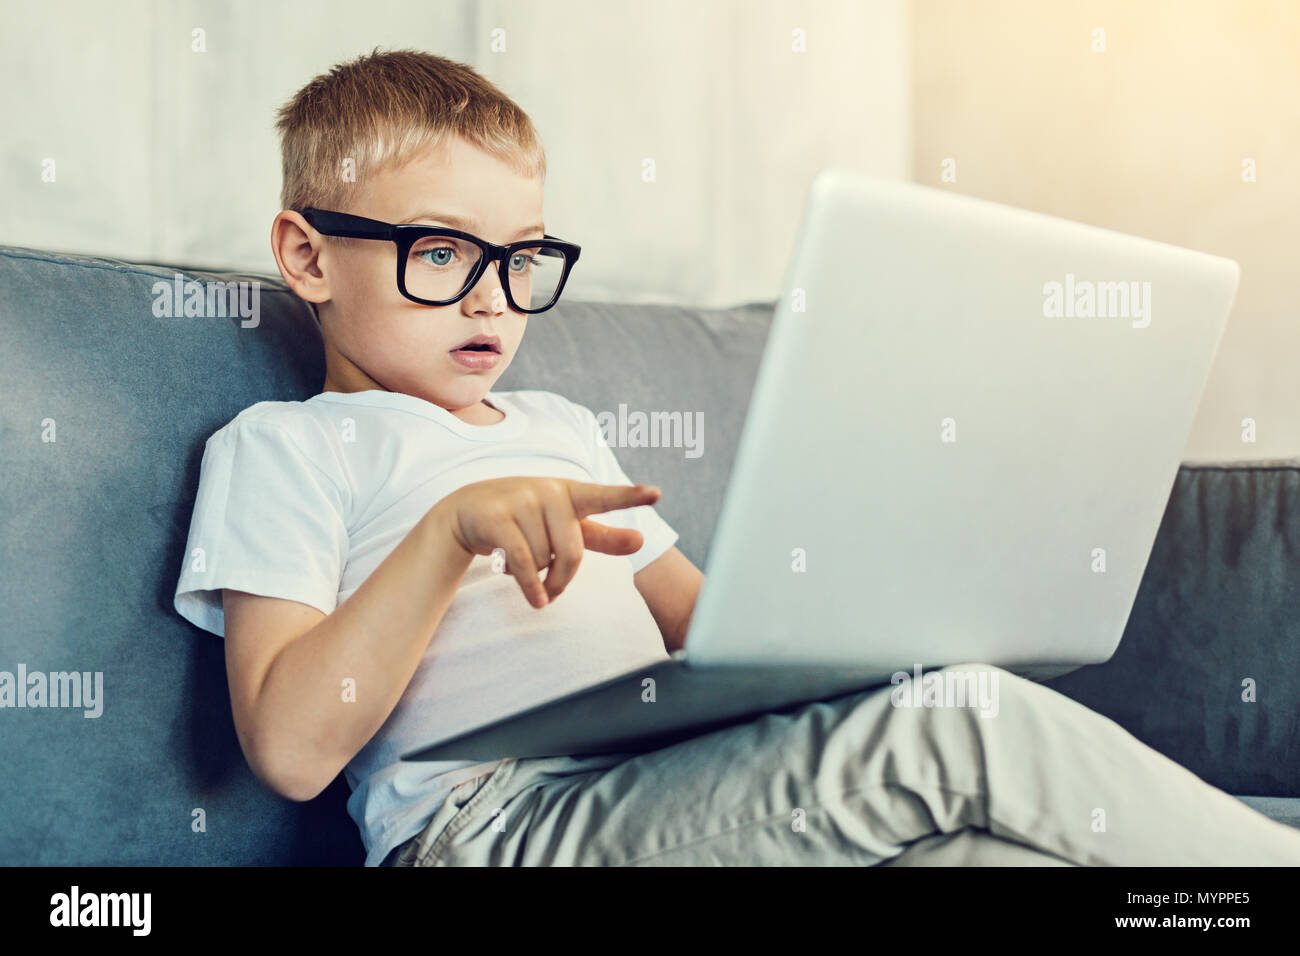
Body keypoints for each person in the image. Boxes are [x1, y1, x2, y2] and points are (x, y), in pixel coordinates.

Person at [174, 49, 1300, 867]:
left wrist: (868, 619)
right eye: (439, 252)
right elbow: (289, 749)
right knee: (966, 720)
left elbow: (713, 641)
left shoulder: (557, 424)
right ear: (307, 255)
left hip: (660, 788)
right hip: (486, 826)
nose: (489, 296)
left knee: (982, 848)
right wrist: (447, 530)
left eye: (521, 260)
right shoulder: (288, 447)